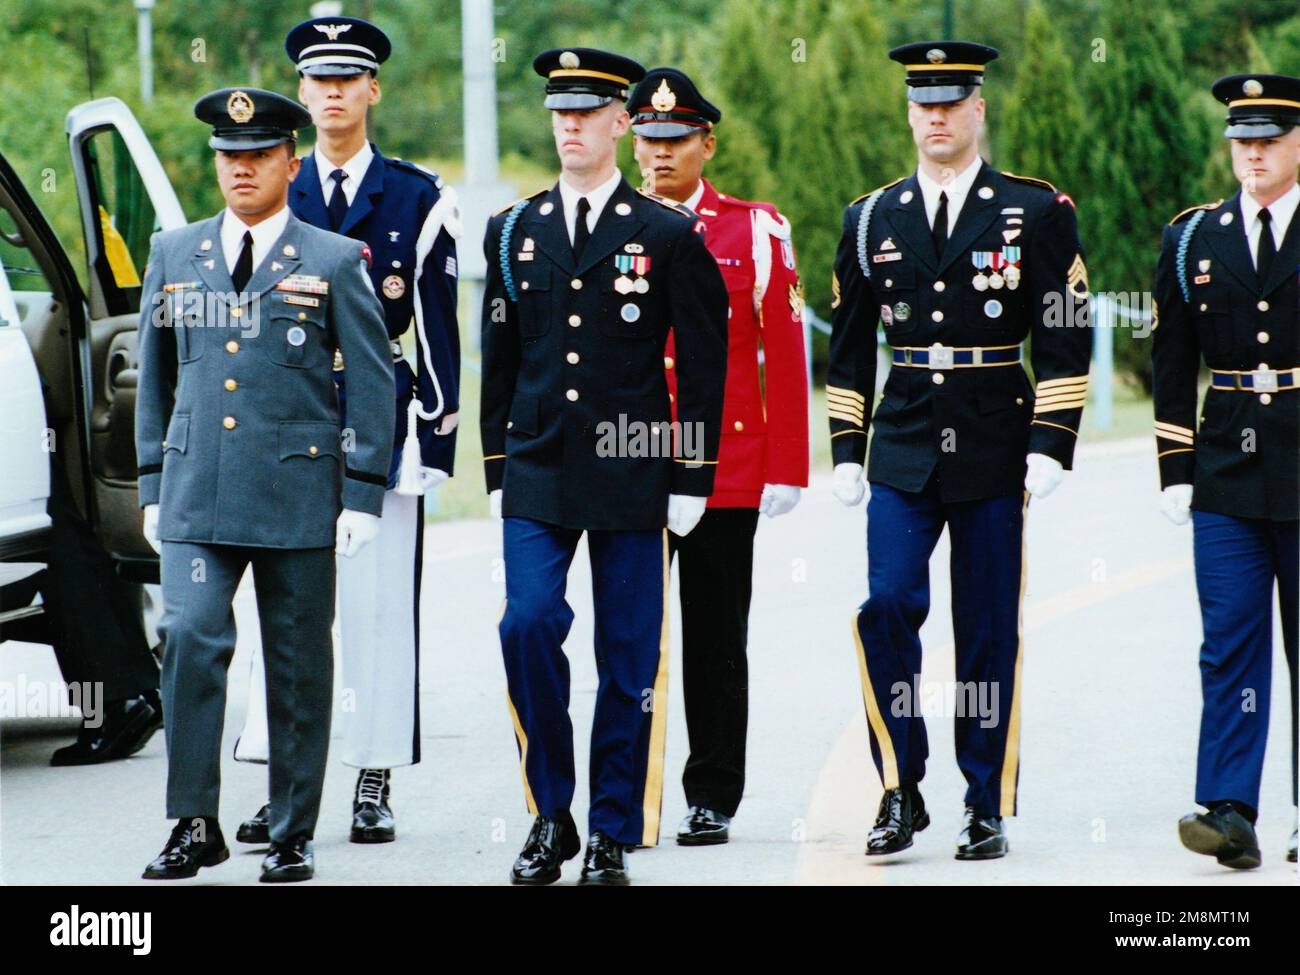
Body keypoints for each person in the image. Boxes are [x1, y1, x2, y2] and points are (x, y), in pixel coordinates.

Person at [828, 41, 1093, 860]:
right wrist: (845, 442)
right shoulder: (870, 217)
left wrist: (1052, 441)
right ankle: (899, 785)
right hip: (903, 440)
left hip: (992, 437)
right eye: (922, 104)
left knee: (985, 627)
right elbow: (846, 344)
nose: (935, 117)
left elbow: (1065, 330)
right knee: (887, 605)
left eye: (951, 102)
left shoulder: (1034, 210)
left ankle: (985, 798)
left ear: (978, 109)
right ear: (909, 114)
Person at [480, 47, 728, 884]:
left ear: (620, 123)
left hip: (633, 470)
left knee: (628, 660)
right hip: (540, 468)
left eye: (588, 113)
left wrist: (693, 476)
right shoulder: (514, 230)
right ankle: (552, 815)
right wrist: (493, 469)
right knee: (528, 624)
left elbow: (702, 364)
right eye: (560, 113)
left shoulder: (666, 233)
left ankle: (612, 829)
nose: (571, 127)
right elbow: (501, 358)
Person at [135, 87, 394, 882]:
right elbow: (155, 374)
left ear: (290, 160)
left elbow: (375, 381)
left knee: (295, 663)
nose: (241, 169)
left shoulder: (331, 258)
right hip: (197, 493)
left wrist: (362, 490)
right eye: (228, 157)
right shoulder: (176, 253)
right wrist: (151, 481)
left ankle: (291, 829)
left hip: (296, 492)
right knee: (187, 636)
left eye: (256, 156)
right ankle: (192, 820)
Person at [233, 14, 462, 848]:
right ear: (300, 90)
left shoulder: (414, 196)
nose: (332, 91)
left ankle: (372, 776)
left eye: (348, 77)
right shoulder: (268, 183)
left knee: (375, 607)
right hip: (283, 422)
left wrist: (434, 438)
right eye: (318, 78)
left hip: (378, 422)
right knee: (282, 611)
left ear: (374, 89)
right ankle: (280, 777)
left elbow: (436, 327)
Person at [628, 67, 809, 845]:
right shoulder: (614, 223)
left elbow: (785, 347)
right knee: (628, 635)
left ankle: (712, 792)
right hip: (629, 459)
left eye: (675, 140)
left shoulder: (752, 230)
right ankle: (623, 792)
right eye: (647, 139)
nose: (659, 154)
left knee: (712, 636)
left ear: (707, 141)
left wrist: (788, 465)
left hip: (728, 465)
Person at [1152, 73, 1299, 869]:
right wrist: (1176, 467)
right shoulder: (1191, 239)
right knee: (1231, 640)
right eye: (1243, 140)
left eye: (1269, 139)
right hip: (1227, 468)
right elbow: (1171, 361)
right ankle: (1229, 809)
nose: (1253, 154)